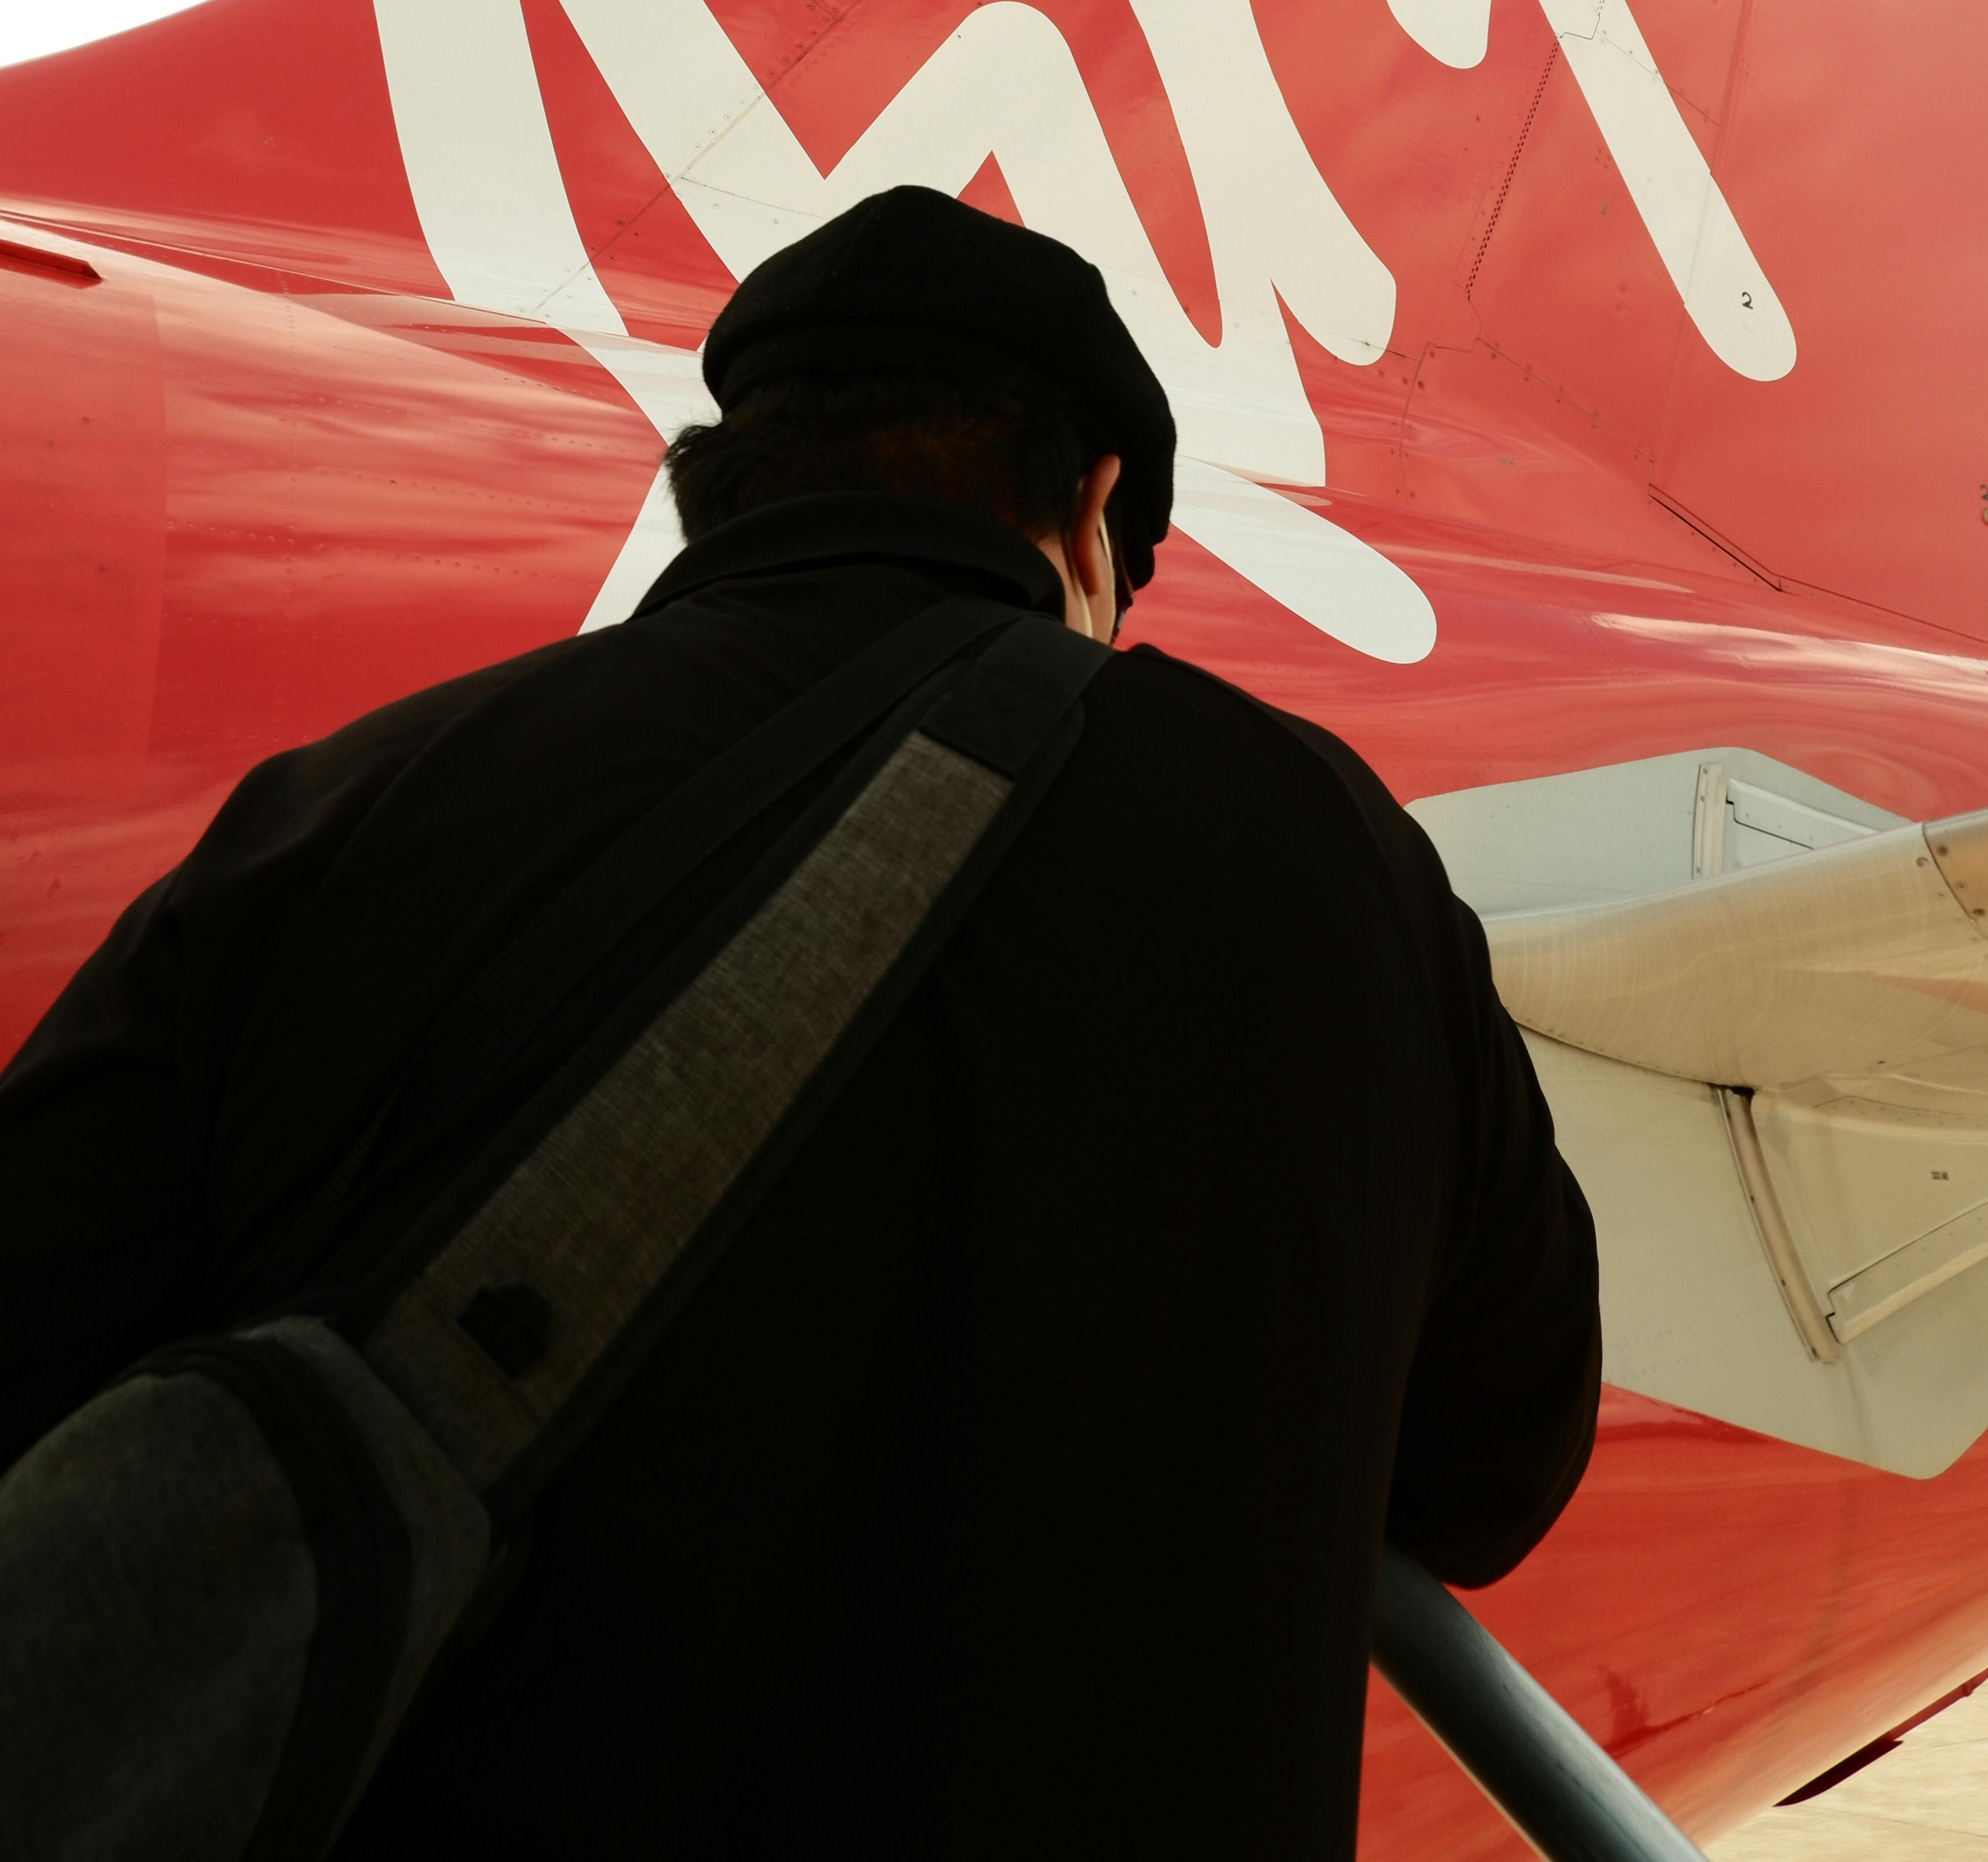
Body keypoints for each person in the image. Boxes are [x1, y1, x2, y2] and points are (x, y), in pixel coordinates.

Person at [0, 184, 1599, 1858]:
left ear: (715, 485)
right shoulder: (1331, 856)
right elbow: (1498, 1470)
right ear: (1092, 515)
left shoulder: (351, 805)